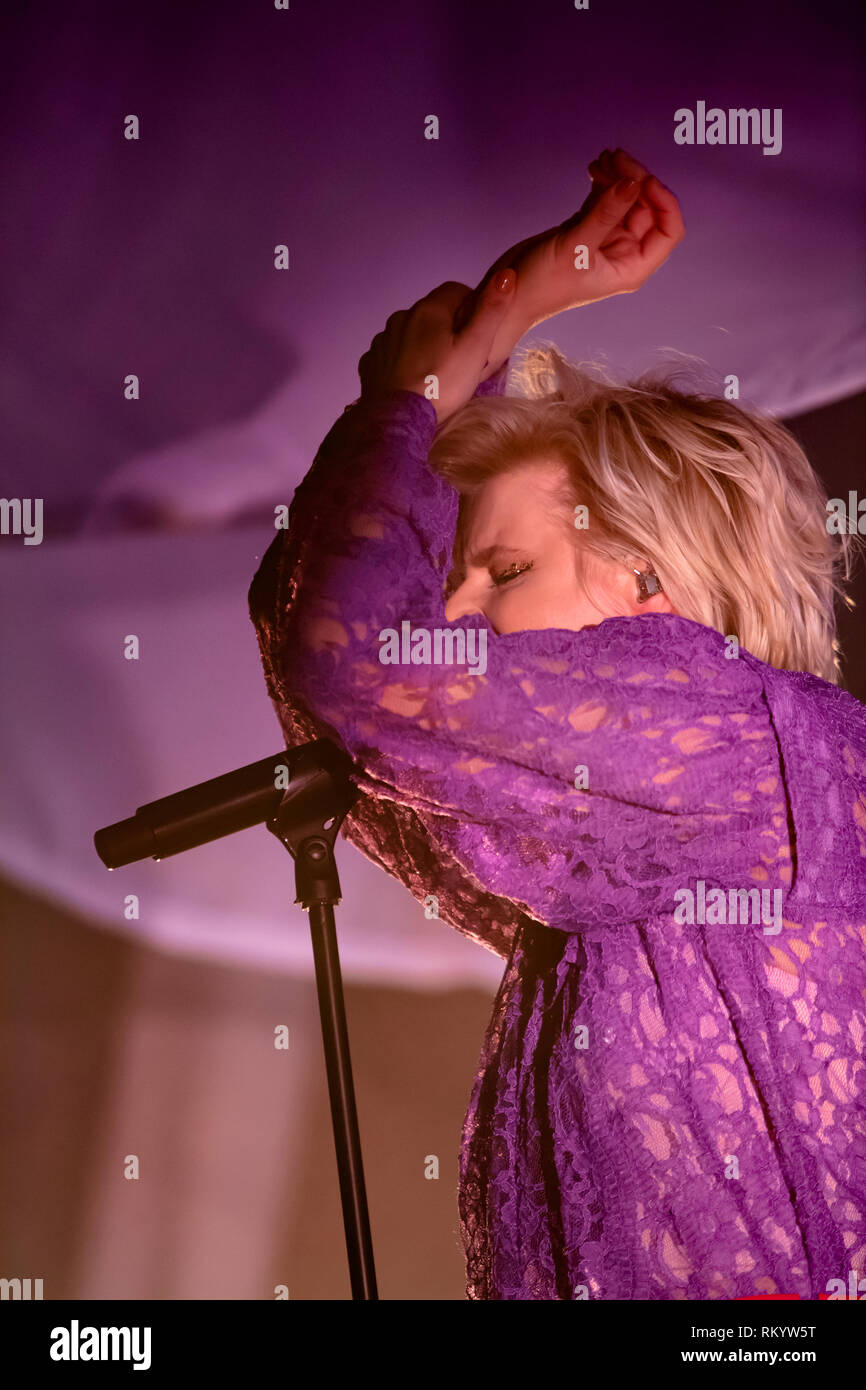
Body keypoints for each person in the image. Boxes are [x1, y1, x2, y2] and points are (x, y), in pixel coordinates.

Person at [248, 148, 866, 1300]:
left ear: (649, 580)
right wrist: (502, 321)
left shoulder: (755, 751)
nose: (457, 613)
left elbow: (355, 661)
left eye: (502, 569)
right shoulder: (601, 888)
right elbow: (323, 675)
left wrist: (416, 398)